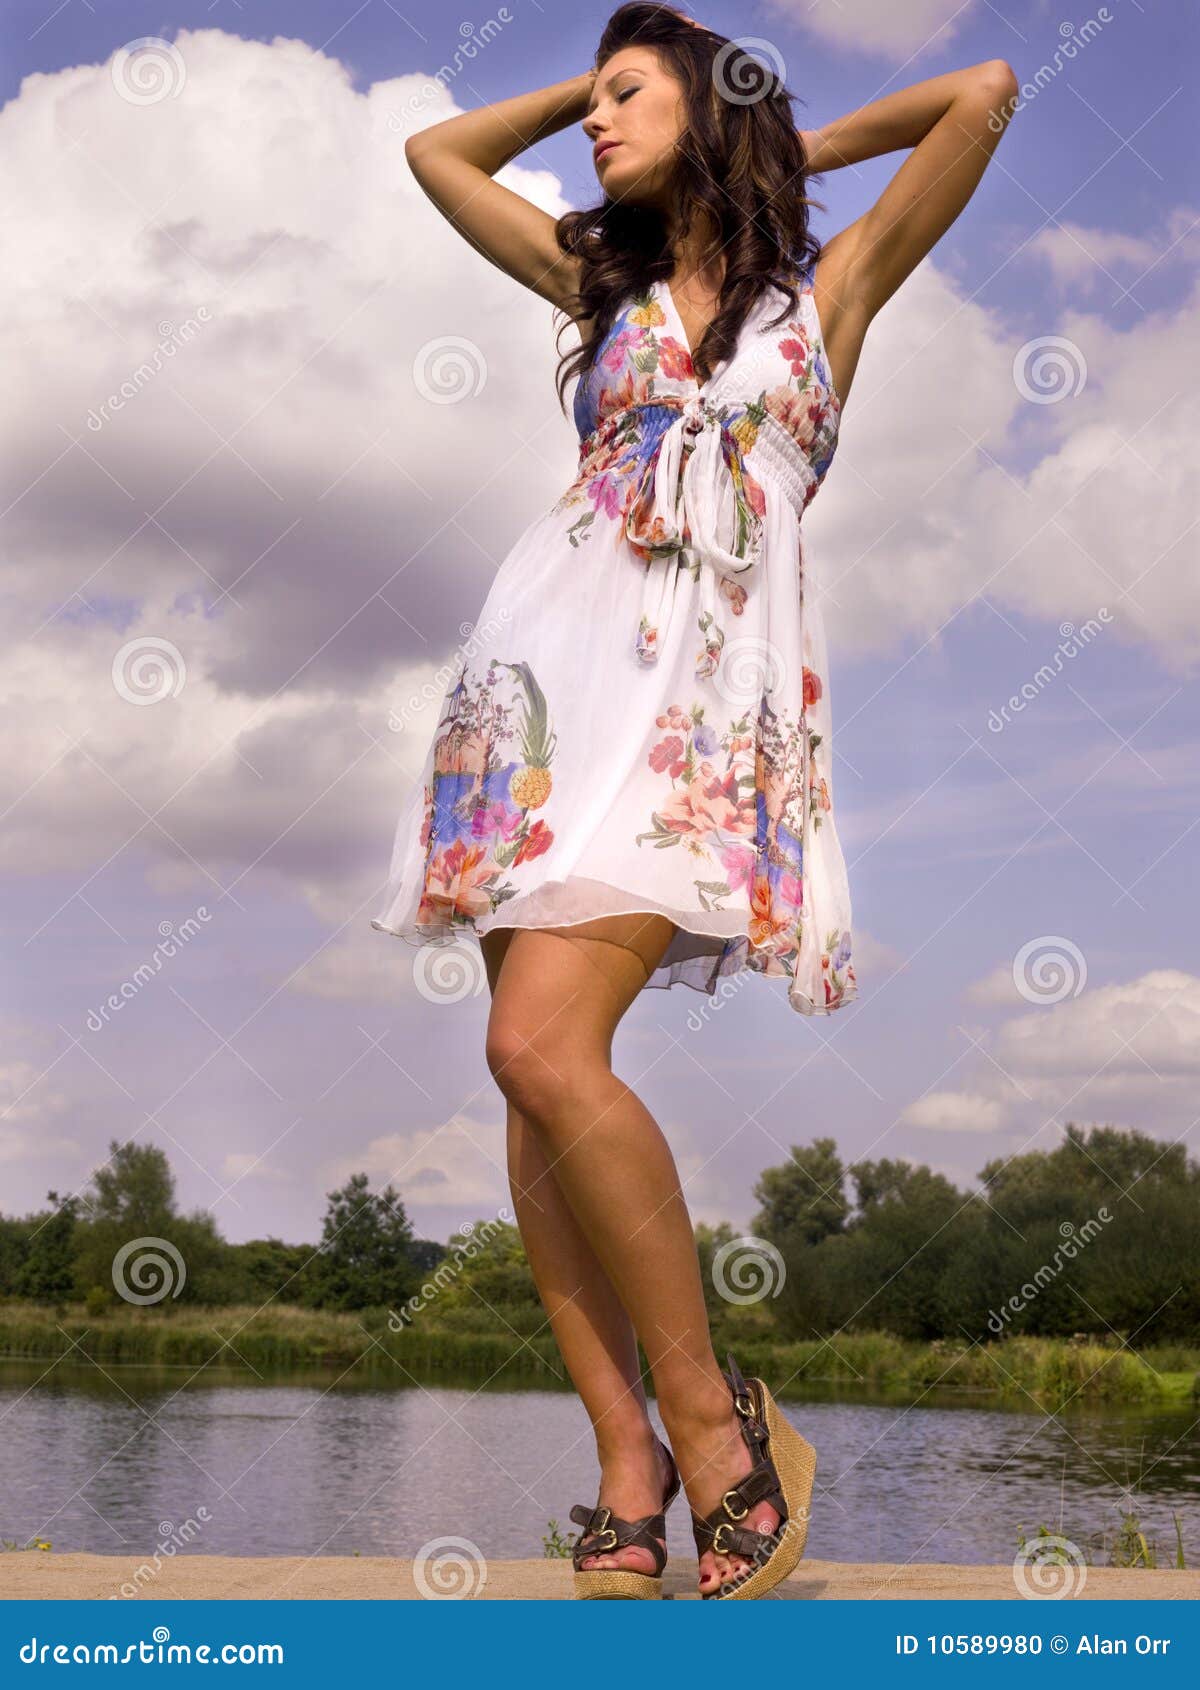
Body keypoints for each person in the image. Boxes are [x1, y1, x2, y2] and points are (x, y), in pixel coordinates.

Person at [373, 2, 1017, 1599]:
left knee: (537, 1045)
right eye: (589, 100)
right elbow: (435, 152)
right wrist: (607, 109)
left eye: (623, 94)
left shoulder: (828, 294)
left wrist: (766, 140)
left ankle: (718, 1430)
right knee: (529, 1077)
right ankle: (626, 1464)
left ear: (714, 110)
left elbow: (983, 94)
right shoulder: (594, 290)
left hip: (697, 726)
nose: (591, 122)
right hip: (538, 705)